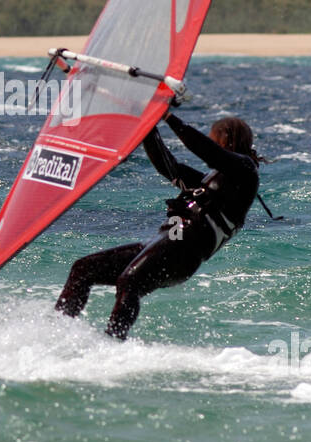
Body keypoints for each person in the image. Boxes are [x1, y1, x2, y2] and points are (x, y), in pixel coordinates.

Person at [54, 113, 266, 339]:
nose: (210, 140)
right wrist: (148, 128)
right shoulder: (210, 181)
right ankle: (57, 332)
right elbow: (169, 167)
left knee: (129, 281)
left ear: (225, 139)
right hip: (168, 240)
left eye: (212, 137)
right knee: (83, 269)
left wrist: (169, 117)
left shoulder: (246, 172)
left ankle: (112, 342)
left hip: (184, 250)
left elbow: (207, 151)